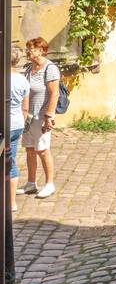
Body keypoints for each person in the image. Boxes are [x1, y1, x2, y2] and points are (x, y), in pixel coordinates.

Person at [22, 37, 60, 199]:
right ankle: (31, 183)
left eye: (30, 48)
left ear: (41, 50)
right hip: (29, 116)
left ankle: (49, 183)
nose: (27, 51)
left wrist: (48, 116)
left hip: (41, 116)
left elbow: (54, 93)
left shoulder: (49, 68)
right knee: (30, 149)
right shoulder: (30, 68)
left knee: (43, 150)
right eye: (27, 48)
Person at [6, 45, 29, 215]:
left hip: (4, 125)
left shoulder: (4, 79)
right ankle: (11, 202)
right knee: (11, 161)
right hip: (17, 124)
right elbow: (25, 108)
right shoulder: (23, 80)